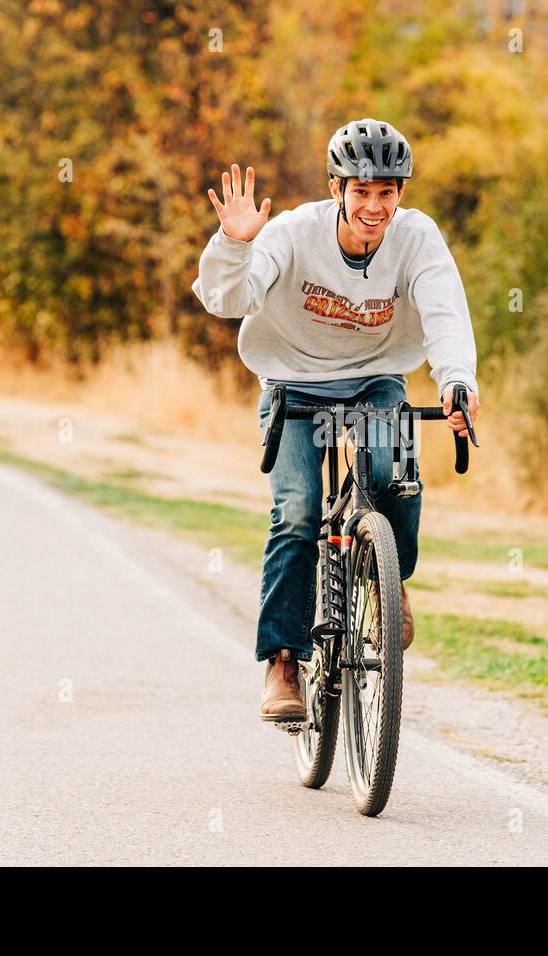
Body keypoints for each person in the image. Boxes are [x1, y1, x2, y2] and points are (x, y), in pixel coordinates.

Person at [191, 118, 480, 721]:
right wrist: (236, 245)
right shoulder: (294, 233)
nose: (374, 206)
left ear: (400, 193)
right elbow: (229, 300)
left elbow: (444, 313)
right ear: (336, 188)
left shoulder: (417, 238)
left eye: (387, 192)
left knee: (394, 472)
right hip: (293, 381)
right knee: (297, 511)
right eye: (361, 191)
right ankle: (284, 663)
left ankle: (386, 575)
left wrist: (457, 382)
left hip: (375, 378)